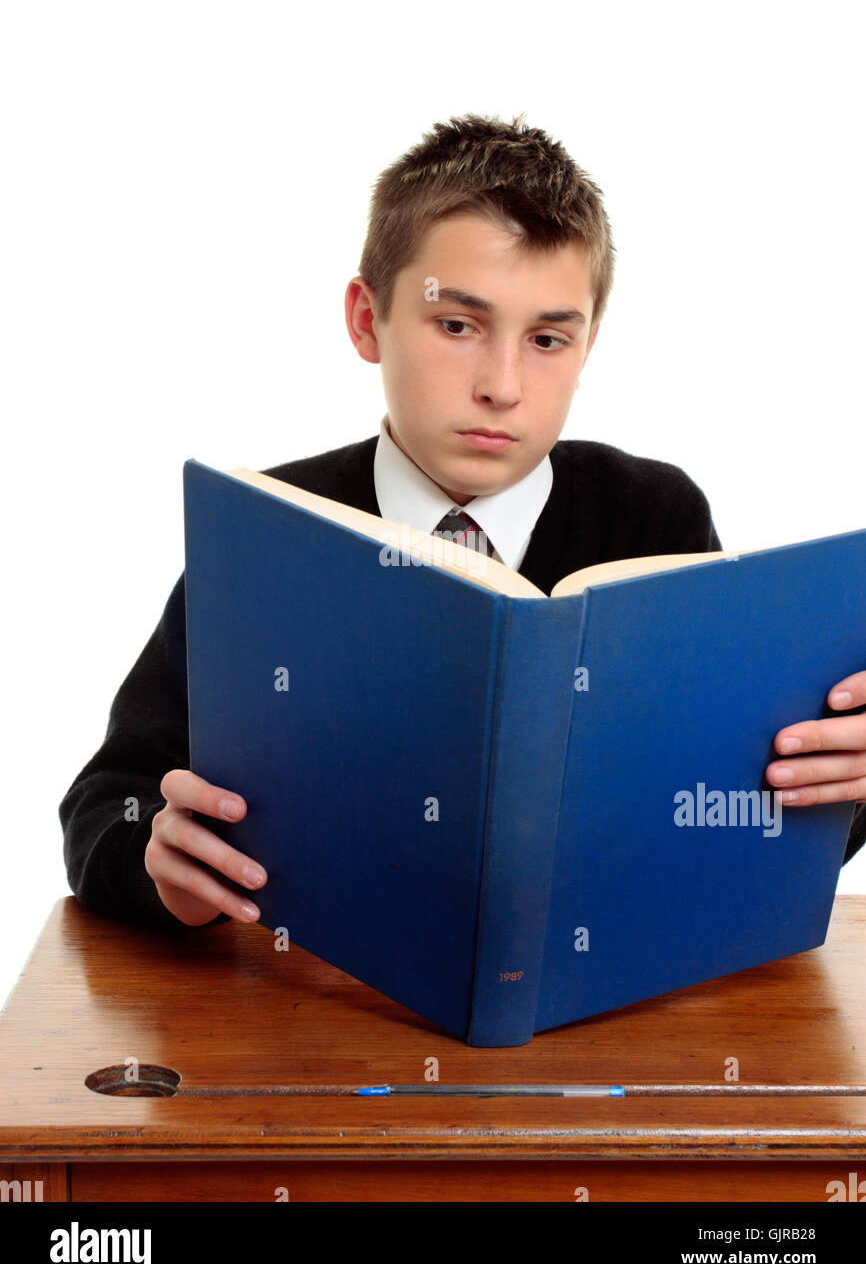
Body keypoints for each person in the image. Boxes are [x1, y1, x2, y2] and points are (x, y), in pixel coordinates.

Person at [59, 113, 866, 931]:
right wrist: (157, 864)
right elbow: (104, 805)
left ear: (589, 348)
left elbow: (730, 817)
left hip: (585, 1010)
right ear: (367, 320)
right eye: (458, 325)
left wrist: (844, 785)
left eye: (549, 338)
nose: (503, 386)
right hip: (312, 997)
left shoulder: (653, 518)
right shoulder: (266, 531)